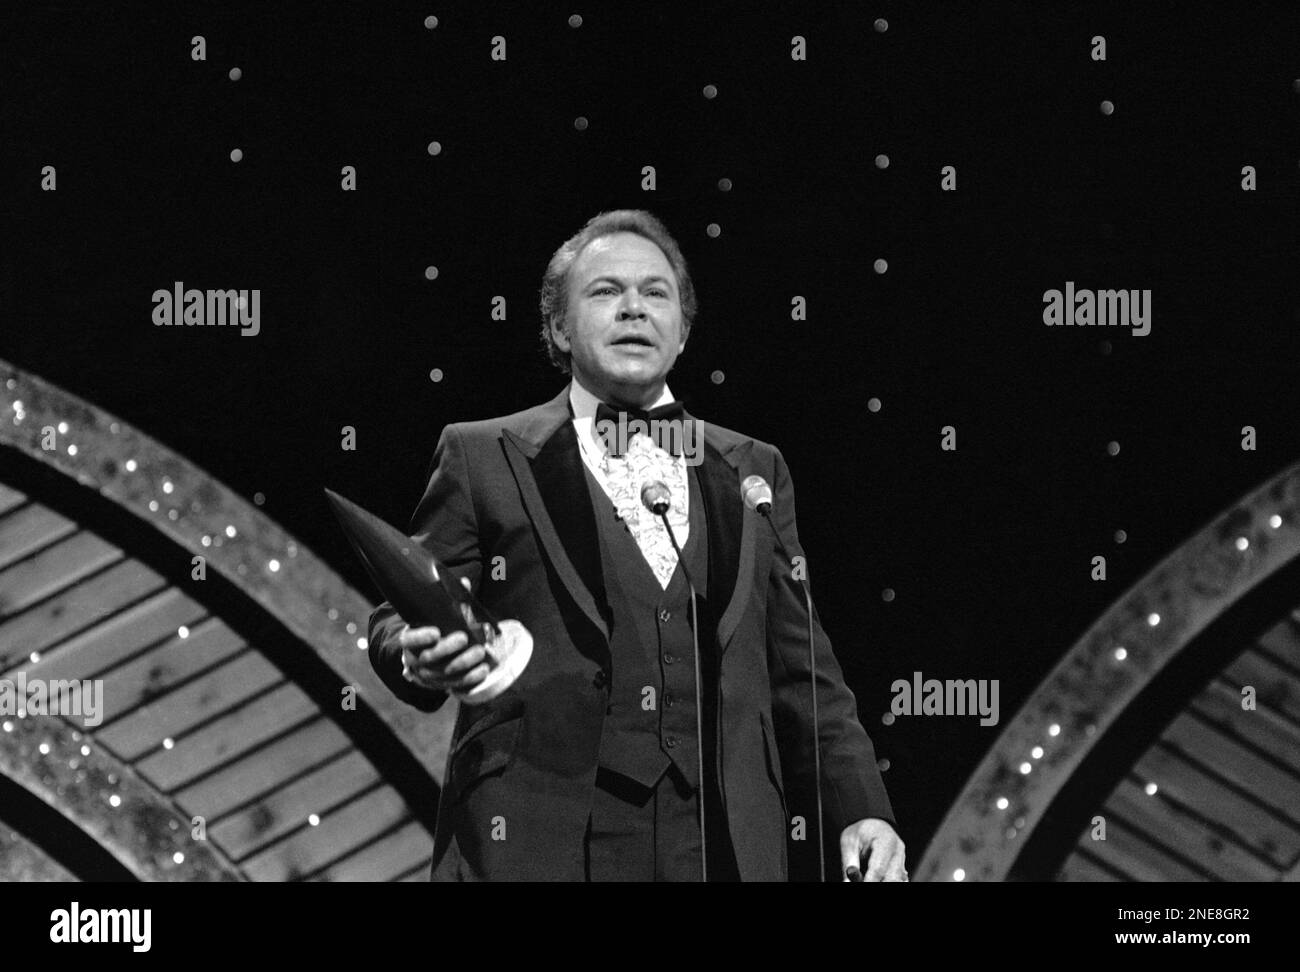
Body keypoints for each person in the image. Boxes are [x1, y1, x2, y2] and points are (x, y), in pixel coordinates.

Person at [367, 209, 905, 882]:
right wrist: (416, 653)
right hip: (539, 836)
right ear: (559, 328)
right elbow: (406, 607)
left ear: (682, 329)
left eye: (656, 293)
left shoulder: (753, 469)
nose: (633, 308)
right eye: (604, 291)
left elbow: (804, 669)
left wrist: (860, 807)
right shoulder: (483, 455)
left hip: (719, 845)